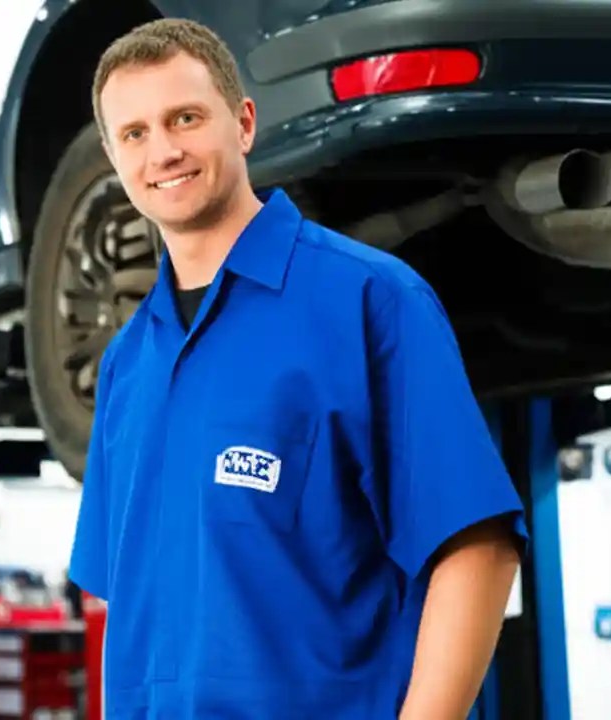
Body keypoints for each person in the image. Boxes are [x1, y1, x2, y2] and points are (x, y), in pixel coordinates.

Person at [67, 18, 528, 719]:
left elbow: (478, 548)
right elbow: (124, 599)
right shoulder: (128, 363)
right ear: (112, 154)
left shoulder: (368, 299)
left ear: (244, 123)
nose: (162, 151)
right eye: (134, 133)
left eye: (185, 118)